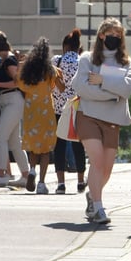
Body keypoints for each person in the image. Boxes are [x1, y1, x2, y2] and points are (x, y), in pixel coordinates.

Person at [71, 18, 131, 225]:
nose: (115, 38)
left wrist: (102, 81)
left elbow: (127, 88)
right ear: (101, 35)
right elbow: (81, 88)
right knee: (97, 161)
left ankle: (92, 194)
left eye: (119, 35)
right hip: (88, 116)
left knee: (107, 169)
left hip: (112, 120)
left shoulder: (126, 62)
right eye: (111, 34)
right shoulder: (87, 59)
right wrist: (112, 94)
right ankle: (98, 208)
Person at [0, 31, 31, 187]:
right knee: (15, 142)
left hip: (13, 100)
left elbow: (18, 83)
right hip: (8, 101)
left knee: (0, 137)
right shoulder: (3, 59)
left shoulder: (9, 60)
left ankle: (1, 173)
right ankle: (25, 175)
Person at [18, 37, 65, 194]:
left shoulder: (28, 70)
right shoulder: (50, 70)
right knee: (45, 149)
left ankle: (32, 170)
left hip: (30, 111)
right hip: (46, 112)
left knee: (33, 147)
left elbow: (20, 84)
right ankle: (42, 183)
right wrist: (59, 74)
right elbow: (62, 88)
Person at [52, 29, 86, 195]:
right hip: (77, 108)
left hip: (58, 109)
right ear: (79, 47)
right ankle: (80, 181)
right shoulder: (84, 62)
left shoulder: (57, 61)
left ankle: (60, 184)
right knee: (78, 144)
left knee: (59, 146)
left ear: (65, 46)